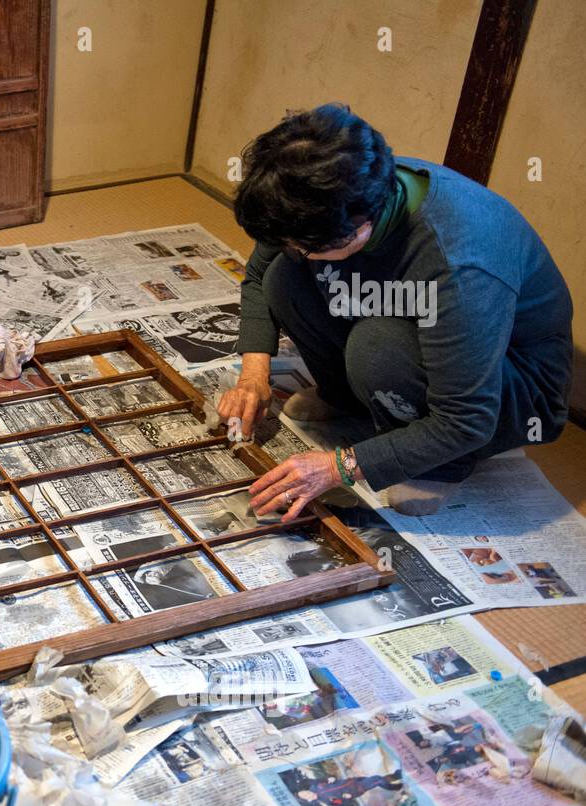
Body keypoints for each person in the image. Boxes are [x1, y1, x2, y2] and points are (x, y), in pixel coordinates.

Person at [216, 104, 573, 518]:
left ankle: (443, 463)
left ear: (362, 225)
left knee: (376, 348)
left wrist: (339, 467)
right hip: (409, 318)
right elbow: (261, 275)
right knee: (285, 276)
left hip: (509, 389)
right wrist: (253, 378)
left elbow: (467, 418)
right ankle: (348, 398)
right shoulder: (325, 187)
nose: (295, 250)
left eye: (306, 244)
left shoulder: (459, 263)